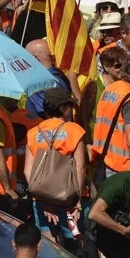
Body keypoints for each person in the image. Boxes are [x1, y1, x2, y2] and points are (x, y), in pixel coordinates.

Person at [24, 88, 87, 244]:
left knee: (51, 247)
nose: (72, 110)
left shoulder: (33, 133)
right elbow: (80, 168)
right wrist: (75, 201)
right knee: (78, 246)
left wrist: (44, 201)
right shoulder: (74, 130)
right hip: (69, 199)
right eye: (70, 106)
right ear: (62, 108)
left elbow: (28, 172)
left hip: (41, 200)